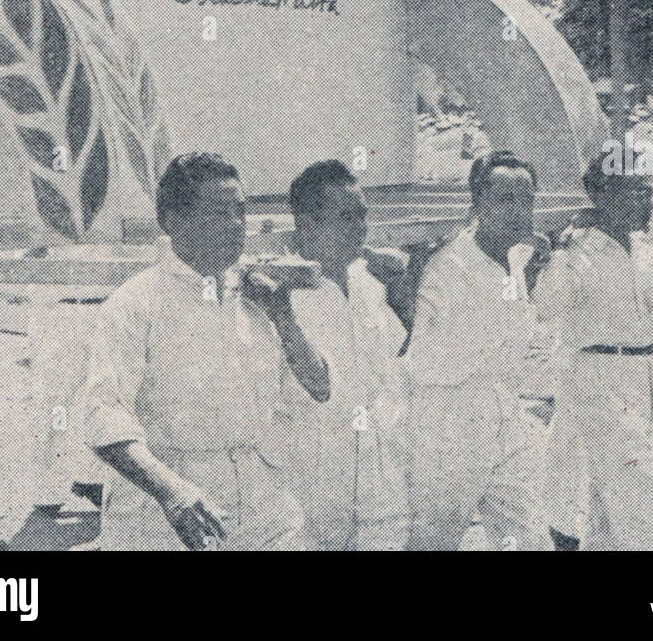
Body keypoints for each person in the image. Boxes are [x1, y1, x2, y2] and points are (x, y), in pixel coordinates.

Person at [82, 153, 329, 550]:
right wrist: (172, 492)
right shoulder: (135, 304)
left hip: (262, 504)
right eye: (219, 214)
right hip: (169, 513)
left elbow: (319, 386)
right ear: (173, 222)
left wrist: (283, 315)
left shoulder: (259, 295)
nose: (236, 227)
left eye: (240, 212)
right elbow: (100, 414)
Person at [405, 151, 553, 550]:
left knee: (529, 538)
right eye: (506, 201)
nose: (519, 212)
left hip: (506, 413)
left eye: (527, 201)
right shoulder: (444, 266)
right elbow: (414, 356)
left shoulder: (517, 262)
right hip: (448, 422)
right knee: (432, 540)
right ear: (477, 204)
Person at [535, 161, 653, 551]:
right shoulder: (577, 250)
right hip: (598, 375)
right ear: (601, 197)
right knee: (641, 495)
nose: (646, 201)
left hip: (647, 376)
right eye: (634, 191)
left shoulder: (645, 247)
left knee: (608, 509)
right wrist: (558, 249)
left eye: (649, 191)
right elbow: (546, 307)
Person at [285, 160, 409, 550]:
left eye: (362, 216)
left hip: (378, 476)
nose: (359, 229)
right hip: (310, 482)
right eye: (345, 218)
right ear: (307, 225)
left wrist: (401, 289)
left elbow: (397, 357)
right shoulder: (278, 292)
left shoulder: (369, 281)